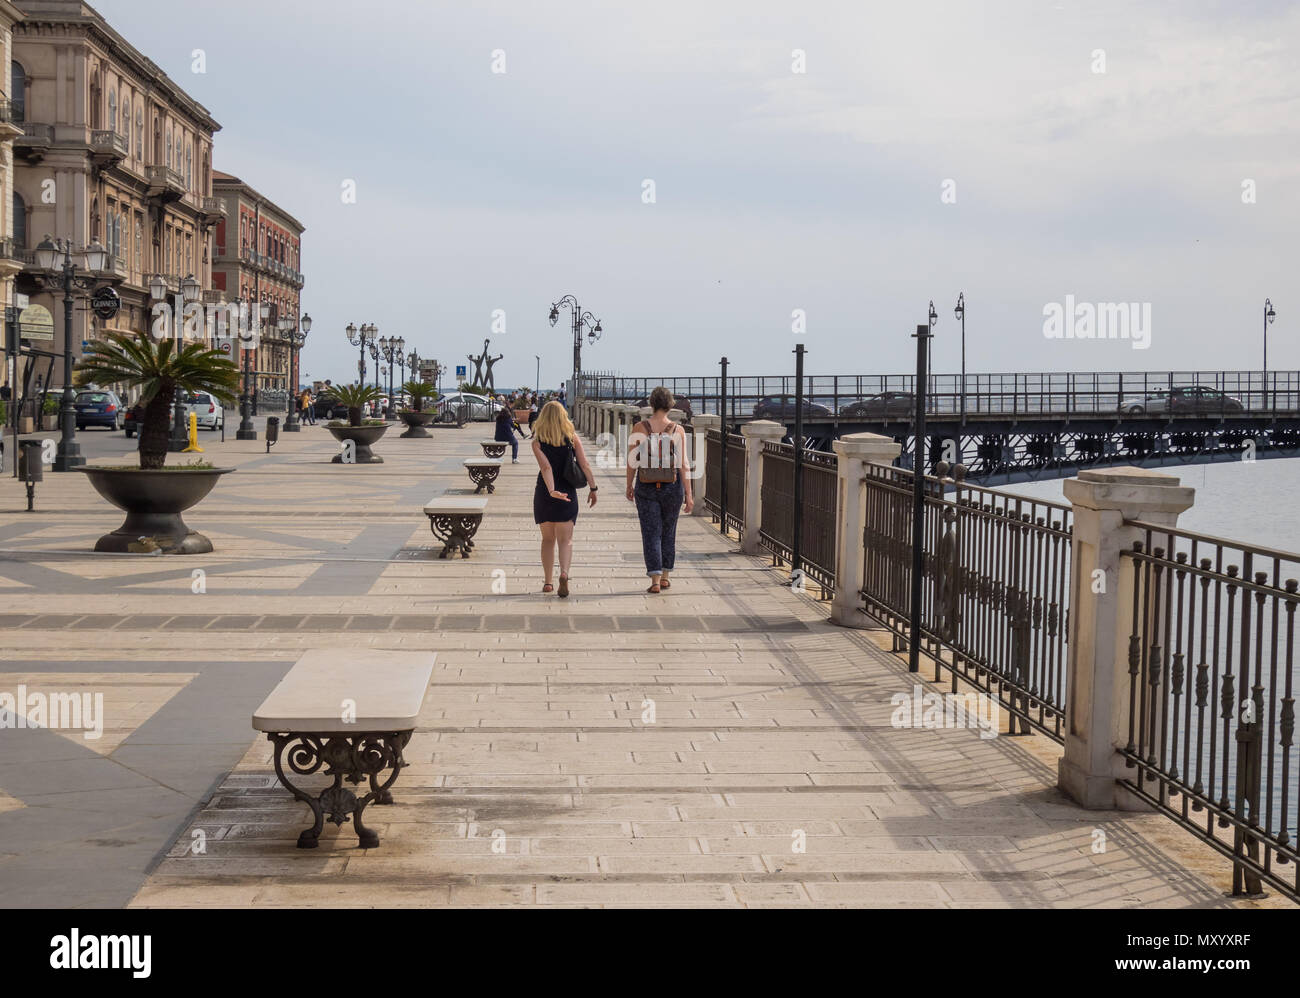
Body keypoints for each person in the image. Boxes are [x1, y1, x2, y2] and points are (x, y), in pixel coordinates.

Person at [626, 386, 693, 594]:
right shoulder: (677, 430)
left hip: (646, 486)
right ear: (670, 404)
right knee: (668, 532)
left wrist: (629, 485)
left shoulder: (639, 427)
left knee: (650, 533)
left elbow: (631, 461)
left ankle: (654, 580)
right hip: (672, 488)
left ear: (651, 404)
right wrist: (689, 495)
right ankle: (665, 577)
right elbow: (684, 465)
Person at [532, 400, 597, 597]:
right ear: (563, 417)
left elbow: (546, 468)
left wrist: (552, 490)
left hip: (545, 493)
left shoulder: (537, 442)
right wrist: (593, 488)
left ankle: (548, 582)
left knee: (547, 540)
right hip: (568, 492)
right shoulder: (571, 438)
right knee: (566, 540)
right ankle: (564, 573)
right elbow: (584, 464)